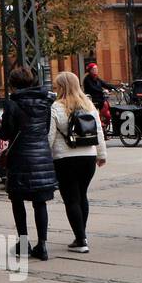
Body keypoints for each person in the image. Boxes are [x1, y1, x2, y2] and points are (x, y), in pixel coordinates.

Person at [0, 65, 57, 260]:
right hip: (41, 156)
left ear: (13, 84)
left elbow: (5, 133)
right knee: (40, 203)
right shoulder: (45, 102)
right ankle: (43, 245)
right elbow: (46, 128)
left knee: (17, 201)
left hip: (20, 158)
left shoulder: (12, 104)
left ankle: (24, 244)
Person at [48, 71, 106, 254]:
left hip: (65, 159)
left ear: (61, 87)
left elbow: (50, 136)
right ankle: (82, 234)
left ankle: (80, 240)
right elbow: (99, 132)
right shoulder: (89, 105)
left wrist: (45, 156)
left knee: (71, 199)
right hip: (88, 158)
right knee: (82, 195)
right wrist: (101, 154)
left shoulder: (56, 107)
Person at [82, 62, 117, 129]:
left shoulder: (97, 78)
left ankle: (105, 127)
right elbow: (93, 87)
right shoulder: (87, 79)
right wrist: (102, 90)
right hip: (93, 100)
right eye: (94, 69)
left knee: (108, 114)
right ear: (90, 70)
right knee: (98, 114)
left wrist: (115, 88)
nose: (96, 70)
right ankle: (100, 126)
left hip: (100, 99)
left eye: (96, 69)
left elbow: (105, 84)